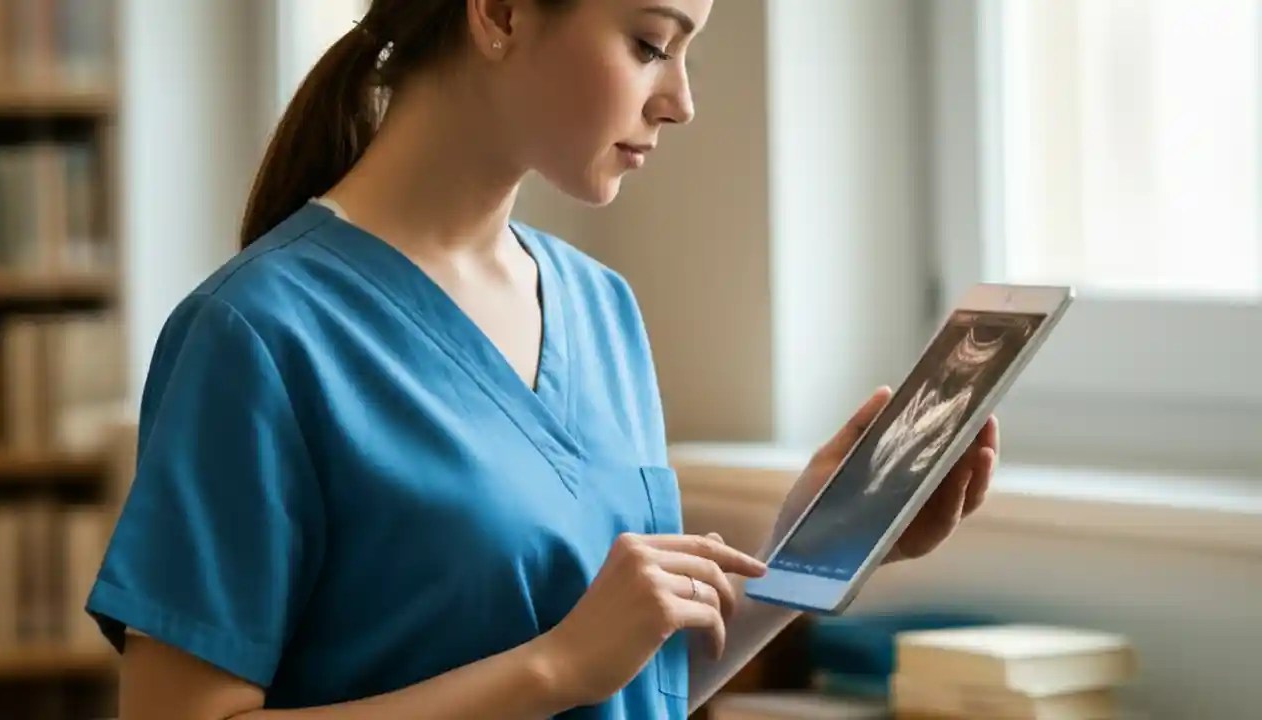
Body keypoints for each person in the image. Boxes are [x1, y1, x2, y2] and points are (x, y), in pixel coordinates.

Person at [85, 1, 1000, 718]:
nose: (681, 100)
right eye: (650, 44)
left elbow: (625, 689)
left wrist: (808, 556)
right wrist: (553, 667)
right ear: (500, 13)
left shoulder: (602, 309)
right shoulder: (255, 336)